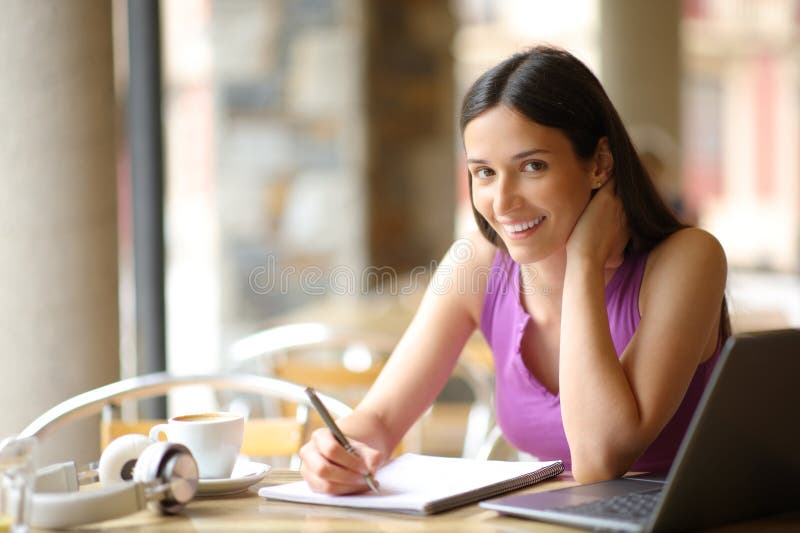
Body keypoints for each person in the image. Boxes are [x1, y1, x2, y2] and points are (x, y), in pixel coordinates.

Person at [299, 45, 729, 493]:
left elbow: (601, 458)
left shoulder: (686, 260)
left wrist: (584, 260)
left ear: (600, 162)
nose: (502, 204)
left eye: (533, 166)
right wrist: (338, 451)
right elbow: (382, 418)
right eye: (484, 173)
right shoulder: (478, 265)